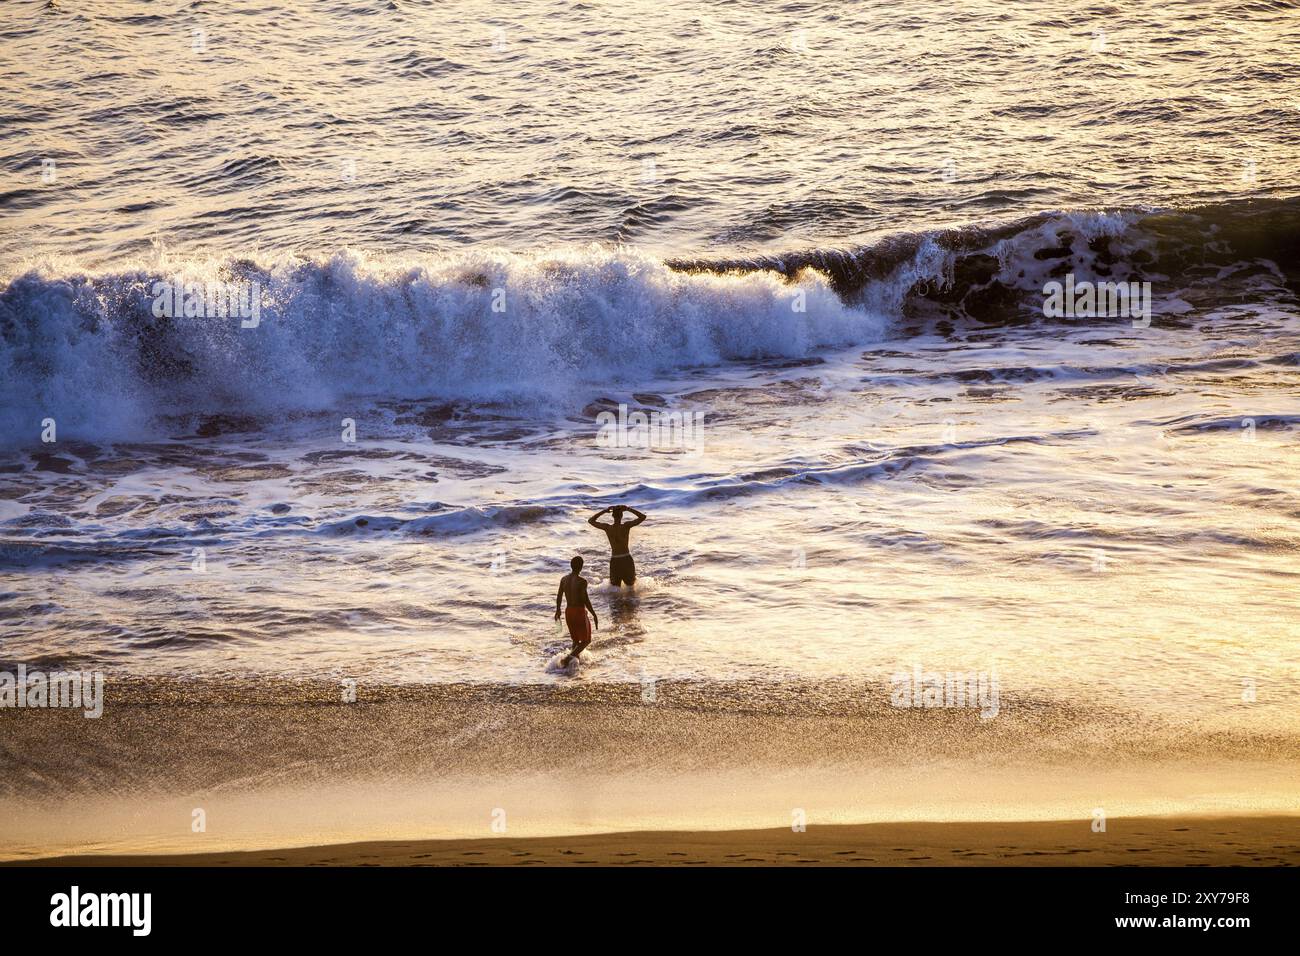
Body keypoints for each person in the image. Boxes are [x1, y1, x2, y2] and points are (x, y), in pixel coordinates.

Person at [588, 504, 646, 586]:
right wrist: (628, 509)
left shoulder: (607, 528)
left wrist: (604, 511)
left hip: (615, 560)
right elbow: (643, 517)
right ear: (622, 515)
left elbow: (591, 521)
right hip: (626, 559)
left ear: (612, 516)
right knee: (631, 588)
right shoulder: (626, 526)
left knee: (615, 590)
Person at [555, 555, 598, 666]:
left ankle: (573, 666)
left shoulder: (564, 579)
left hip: (568, 611)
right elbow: (585, 599)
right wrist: (593, 614)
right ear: (581, 567)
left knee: (575, 640)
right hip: (579, 612)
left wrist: (558, 610)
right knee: (586, 641)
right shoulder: (582, 581)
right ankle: (568, 659)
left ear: (571, 566)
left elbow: (559, 595)